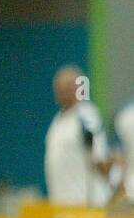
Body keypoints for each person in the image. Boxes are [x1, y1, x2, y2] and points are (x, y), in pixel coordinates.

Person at [44, 65, 111, 207]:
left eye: (68, 88)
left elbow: (99, 159)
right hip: (62, 201)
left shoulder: (87, 115)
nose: (63, 92)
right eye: (59, 88)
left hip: (85, 203)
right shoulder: (58, 121)